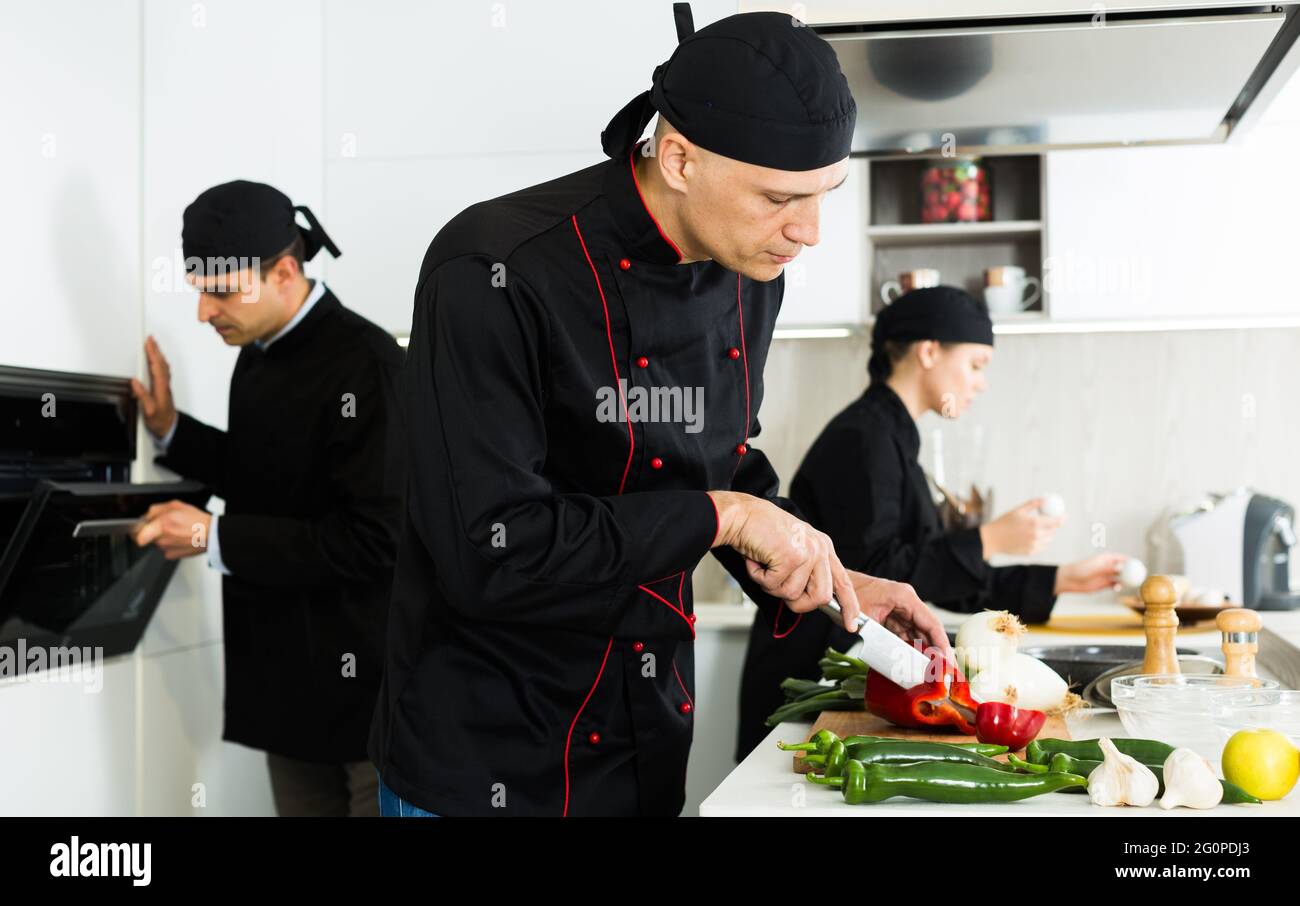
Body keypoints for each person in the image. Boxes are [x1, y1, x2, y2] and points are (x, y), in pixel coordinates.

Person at [368, 10, 954, 818]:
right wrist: (721, 516)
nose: (809, 232)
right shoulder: (494, 268)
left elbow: (720, 463)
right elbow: (491, 551)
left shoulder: (752, 270)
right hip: (487, 761)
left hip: (643, 743)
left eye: (826, 195)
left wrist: (832, 582)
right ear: (678, 157)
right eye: (782, 197)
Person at [735, 285, 1127, 759]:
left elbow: (927, 576)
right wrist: (987, 538)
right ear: (928, 351)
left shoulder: (894, 438)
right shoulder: (864, 438)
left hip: (854, 676)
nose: (980, 383)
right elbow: (879, 572)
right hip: (807, 679)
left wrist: (1059, 578)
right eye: (976, 365)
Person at [130, 181, 405, 816]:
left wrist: (212, 536)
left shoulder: (367, 364)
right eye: (199, 289)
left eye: (220, 291)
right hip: (287, 689)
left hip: (365, 693)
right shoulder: (257, 355)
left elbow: (374, 538)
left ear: (285, 271)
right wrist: (171, 428)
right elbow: (269, 476)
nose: (203, 312)